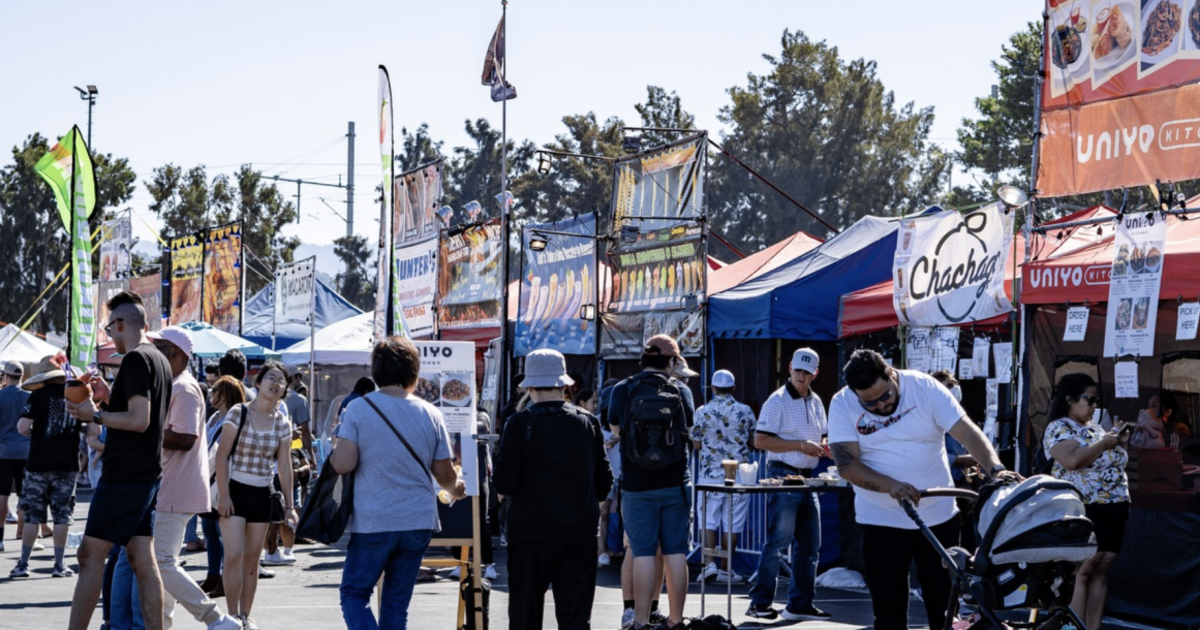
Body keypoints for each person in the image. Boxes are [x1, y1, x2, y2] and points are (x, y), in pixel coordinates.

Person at [827, 349, 1017, 630]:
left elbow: (966, 431)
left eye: (885, 397)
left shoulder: (925, 387)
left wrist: (996, 469)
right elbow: (847, 465)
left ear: (891, 375)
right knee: (888, 612)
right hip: (880, 520)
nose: (880, 406)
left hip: (938, 516)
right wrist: (891, 485)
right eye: (870, 403)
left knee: (943, 608)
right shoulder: (842, 403)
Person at [331, 336, 466, 630]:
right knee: (395, 604)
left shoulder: (358, 409)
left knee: (355, 594)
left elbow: (343, 464)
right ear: (413, 374)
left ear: (377, 373)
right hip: (418, 521)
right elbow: (444, 473)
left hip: (374, 519)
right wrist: (456, 489)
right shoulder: (431, 413)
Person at [66, 291, 174, 630]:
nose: (109, 335)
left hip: (127, 474)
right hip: (143, 472)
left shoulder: (136, 360)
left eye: (109, 328)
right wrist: (107, 398)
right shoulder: (157, 359)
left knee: (89, 555)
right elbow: (140, 416)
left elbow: (139, 420)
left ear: (121, 323)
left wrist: (94, 415)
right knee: (141, 558)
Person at [494, 349, 613, 630]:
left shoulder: (519, 422)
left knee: (525, 614)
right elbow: (604, 481)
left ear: (530, 386)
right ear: (564, 384)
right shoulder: (588, 422)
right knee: (575, 617)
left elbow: (504, 481)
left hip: (530, 531)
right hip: (579, 530)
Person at [147, 327, 241, 630]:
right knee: (166, 562)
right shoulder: (177, 385)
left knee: (161, 562)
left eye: (159, 347)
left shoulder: (183, 388)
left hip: (174, 487)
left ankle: (215, 618)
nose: (153, 353)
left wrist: (143, 431)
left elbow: (185, 437)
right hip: (175, 485)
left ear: (176, 353)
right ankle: (163, 622)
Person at [607, 334, 694, 630]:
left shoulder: (622, 388)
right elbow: (689, 430)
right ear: (671, 361)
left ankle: (641, 621)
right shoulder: (681, 390)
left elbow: (615, 426)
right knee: (675, 552)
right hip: (675, 482)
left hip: (636, 484)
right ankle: (675, 620)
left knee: (642, 552)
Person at [745, 349, 830, 621]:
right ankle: (760, 602)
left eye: (806, 372)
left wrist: (824, 447)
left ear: (815, 373)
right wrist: (802, 445)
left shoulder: (816, 401)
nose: (801, 375)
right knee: (779, 542)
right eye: (798, 370)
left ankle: (800, 603)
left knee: (810, 545)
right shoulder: (777, 400)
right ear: (791, 367)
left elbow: (824, 434)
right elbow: (760, 441)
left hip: (805, 476)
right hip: (783, 473)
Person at [213, 361, 297, 630]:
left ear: (284, 390)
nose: (276, 383)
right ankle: (232, 616)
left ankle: (245, 616)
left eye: (281, 381)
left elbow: (284, 465)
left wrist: (290, 506)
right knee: (234, 555)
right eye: (270, 378)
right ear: (258, 383)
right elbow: (222, 456)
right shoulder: (239, 413)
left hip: (262, 492)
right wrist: (224, 495)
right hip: (234, 490)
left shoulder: (283, 422)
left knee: (252, 559)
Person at [1044, 373, 1130, 630]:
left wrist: (1117, 443)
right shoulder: (1060, 427)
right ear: (1070, 400)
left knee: (1102, 567)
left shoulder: (1095, 428)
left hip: (1114, 505)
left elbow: (1107, 460)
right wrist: (1104, 444)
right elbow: (1072, 460)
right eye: (1090, 400)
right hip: (1084, 506)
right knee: (1084, 569)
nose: (1094, 406)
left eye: (1097, 401)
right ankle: (1076, 627)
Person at [691, 369, 756, 585]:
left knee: (708, 520)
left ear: (712, 388)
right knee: (733, 524)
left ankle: (709, 562)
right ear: (733, 388)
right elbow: (754, 441)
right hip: (737, 476)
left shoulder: (702, 411)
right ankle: (726, 570)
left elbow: (697, 444)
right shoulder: (745, 411)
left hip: (710, 475)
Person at [12, 367, 77, 579]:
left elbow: (22, 428)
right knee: (62, 516)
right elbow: (94, 429)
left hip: (39, 463)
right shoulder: (77, 395)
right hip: (67, 464)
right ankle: (59, 565)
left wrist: (39, 430)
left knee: (33, 514)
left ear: (46, 381)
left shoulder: (38, 395)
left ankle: (23, 565)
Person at [200, 376, 247, 598]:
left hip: (225, 482)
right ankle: (213, 575)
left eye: (215, 390)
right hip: (209, 479)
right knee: (210, 530)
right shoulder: (213, 418)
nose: (211, 394)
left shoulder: (233, 419)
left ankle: (224, 580)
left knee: (224, 534)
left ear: (225, 394)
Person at [0, 360, 30, 551]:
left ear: (5, 376)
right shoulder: (30, 396)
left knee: (2, 495)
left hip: (3, 451)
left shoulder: (0, 396)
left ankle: (0, 538)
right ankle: (24, 534)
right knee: (24, 495)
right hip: (26, 451)